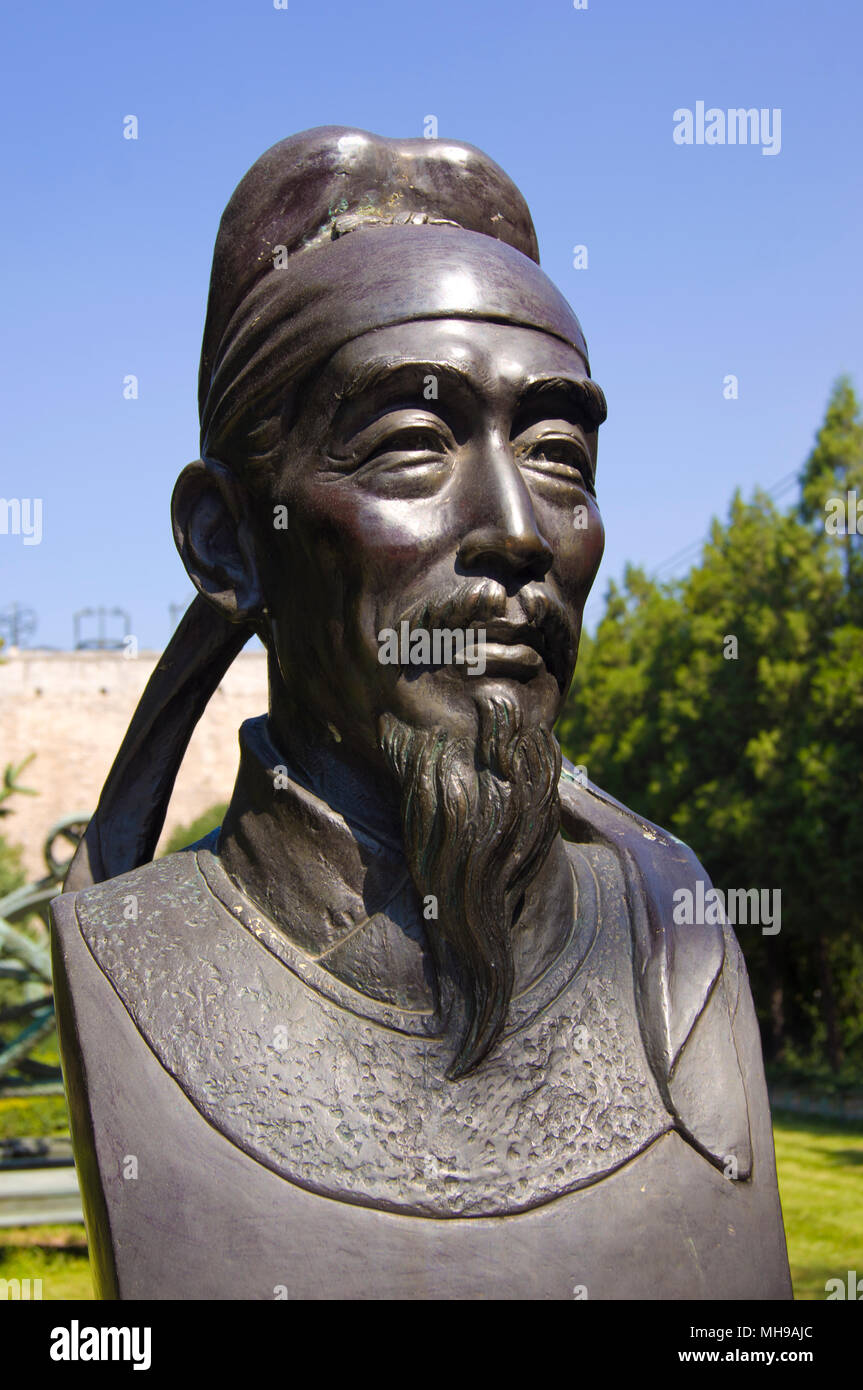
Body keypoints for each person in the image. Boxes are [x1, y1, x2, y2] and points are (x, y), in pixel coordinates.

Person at [52, 127, 791, 1300]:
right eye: (409, 442)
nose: (518, 527)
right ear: (231, 542)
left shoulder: (676, 935)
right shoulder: (126, 958)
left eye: (558, 454)